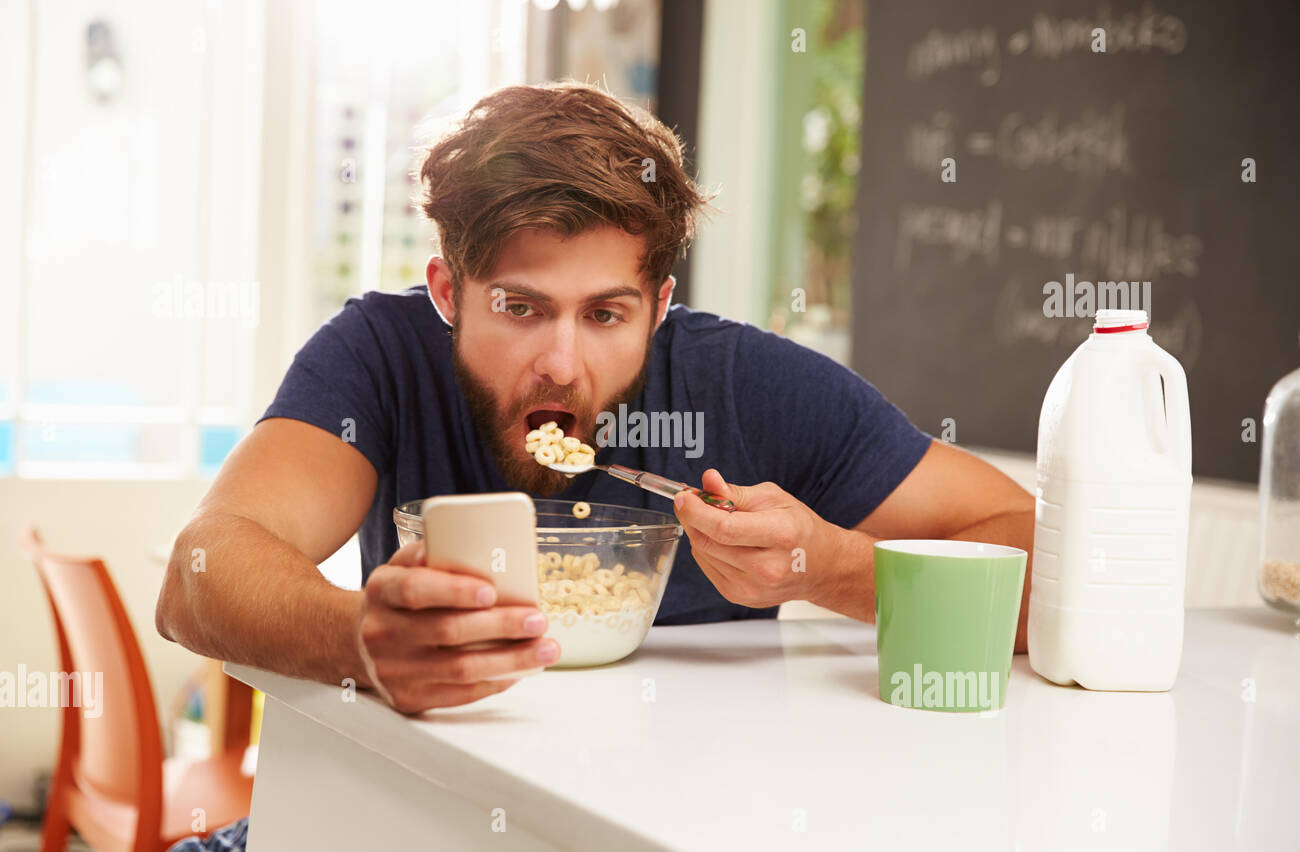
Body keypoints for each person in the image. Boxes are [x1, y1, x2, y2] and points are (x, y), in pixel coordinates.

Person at [155, 79, 1034, 719]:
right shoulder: (379, 357)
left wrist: (830, 566)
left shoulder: (747, 384)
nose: (561, 364)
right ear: (449, 293)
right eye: (520, 307)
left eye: (606, 314)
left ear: (658, 306)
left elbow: (1036, 562)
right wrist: (362, 639)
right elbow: (199, 574)